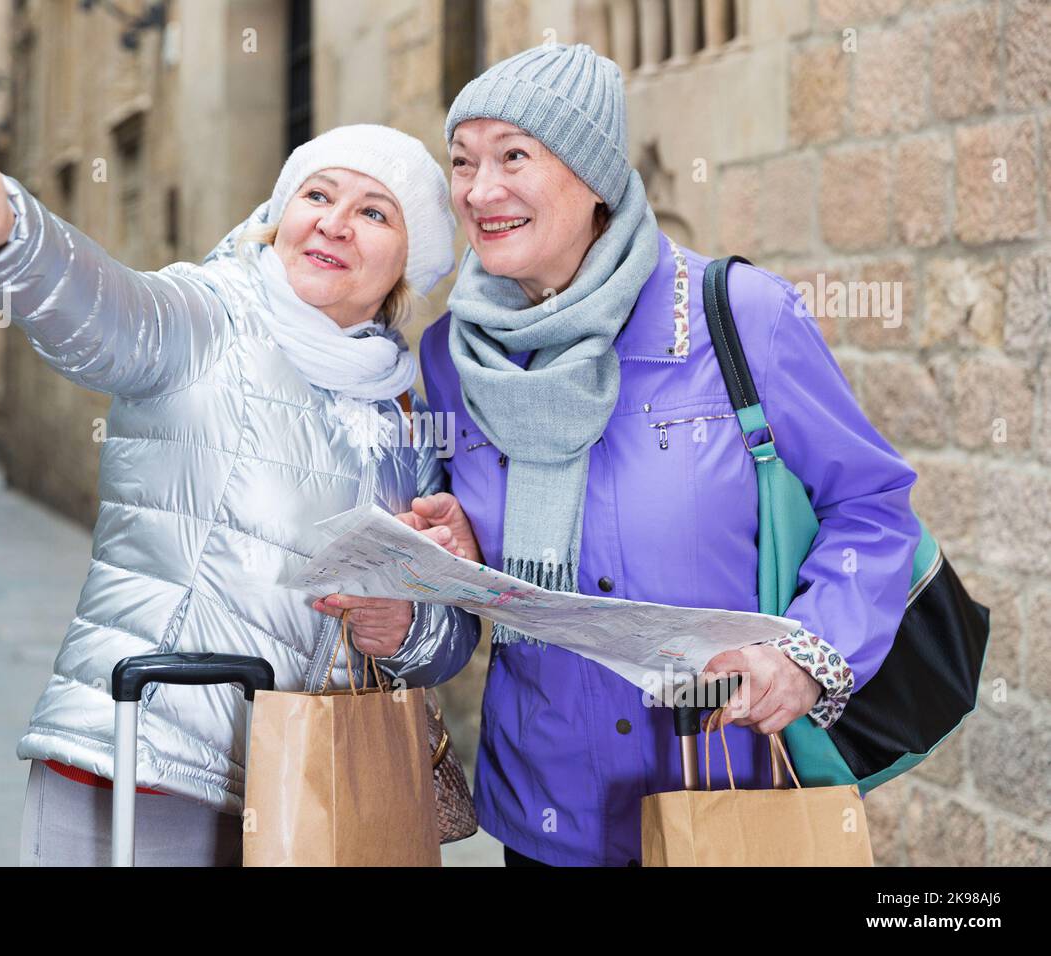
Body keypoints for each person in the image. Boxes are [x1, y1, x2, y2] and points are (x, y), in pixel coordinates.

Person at [383, 44, 921, 867]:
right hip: (546, 807)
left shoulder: (740, 317)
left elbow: (873, 508)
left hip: (729, 794)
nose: (480, 190)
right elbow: (486, 568)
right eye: (462, 162)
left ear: (593, 174)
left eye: (514, 156)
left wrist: (808, 658)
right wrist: (461, 547)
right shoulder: (454, 355)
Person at [0, 108, 478, 866]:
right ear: (279, 216)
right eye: (316, 196)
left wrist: (403, 628)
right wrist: (12, 234)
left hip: (313, 789)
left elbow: (450, 638)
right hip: (147, 768)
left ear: (409, 263)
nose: (334, 224)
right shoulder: (208, 317)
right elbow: (104, 310)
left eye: (373, 212)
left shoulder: (403, 410)